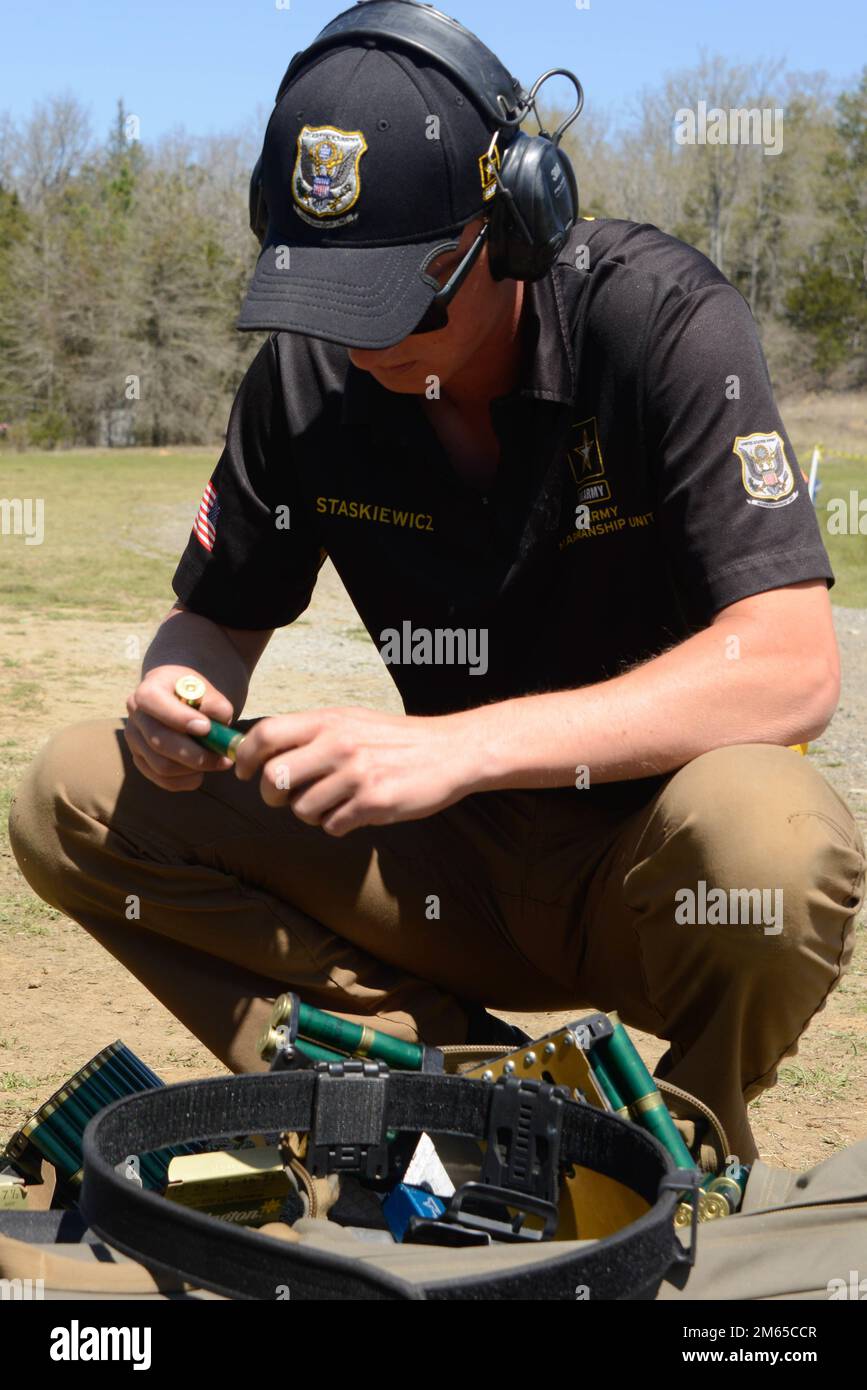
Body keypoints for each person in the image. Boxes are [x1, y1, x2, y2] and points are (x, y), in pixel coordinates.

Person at [9, 3, 865, 1165]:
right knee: (74, 792)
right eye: (327, 294)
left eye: (398, 295)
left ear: (516, 219)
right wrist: (179, 687)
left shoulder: (659, 323)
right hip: (437, 874)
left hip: (649, 875)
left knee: (776, 838)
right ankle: (427, 1092)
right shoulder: (304, 384)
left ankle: (675, 1148)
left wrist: (460, 748)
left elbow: (792, 664)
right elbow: (215, 620)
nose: (362, 342)